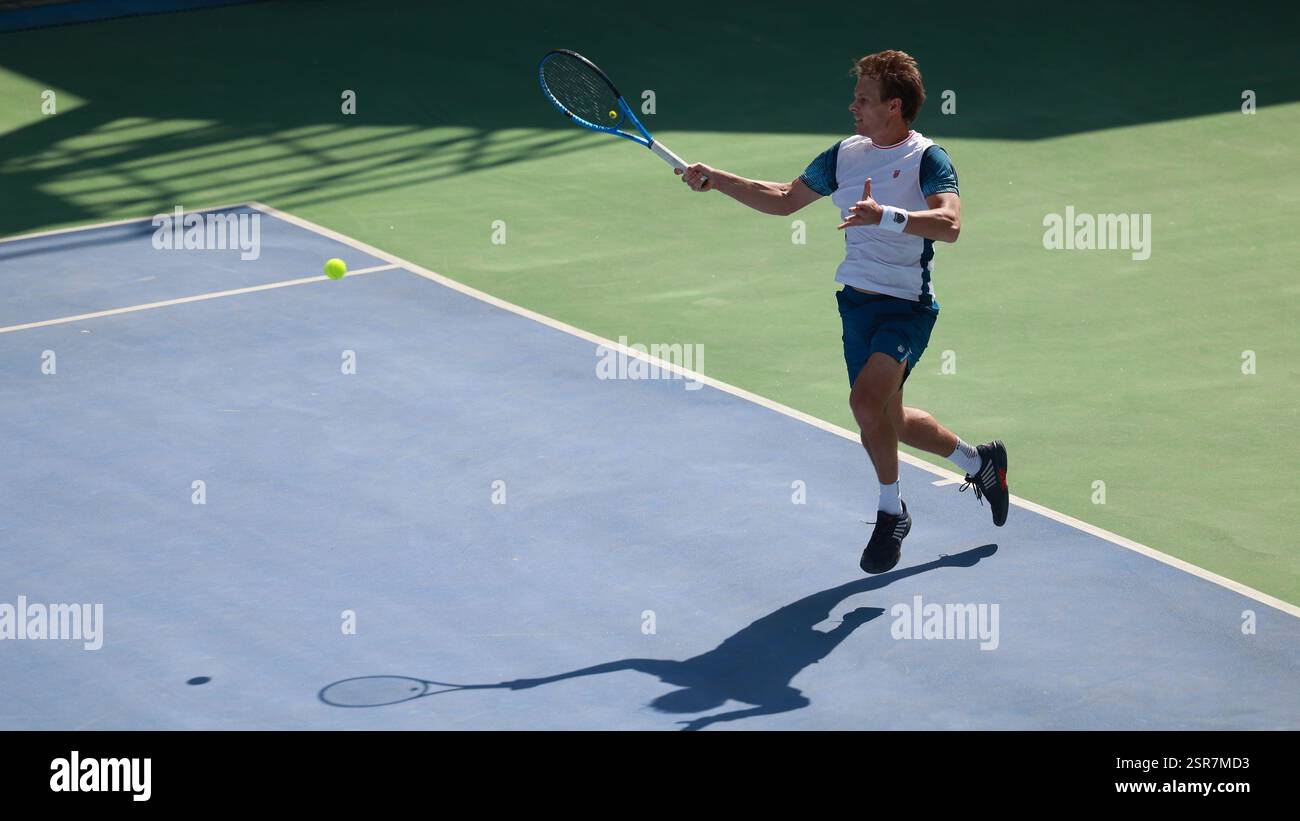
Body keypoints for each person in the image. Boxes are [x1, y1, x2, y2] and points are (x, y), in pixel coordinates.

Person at [675, 49, 1008, 573]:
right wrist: (718, 179)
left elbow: (950, 225)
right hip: (856, 303)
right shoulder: (845, 156)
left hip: (906, 304)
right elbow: (784, 198)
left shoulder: (928, 159)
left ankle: (891, 512)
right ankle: (979, 462)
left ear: (893, 107)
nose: (852, 107)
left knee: (863, 402)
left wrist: (887, 217)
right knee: (889, 417)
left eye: (863, 99)